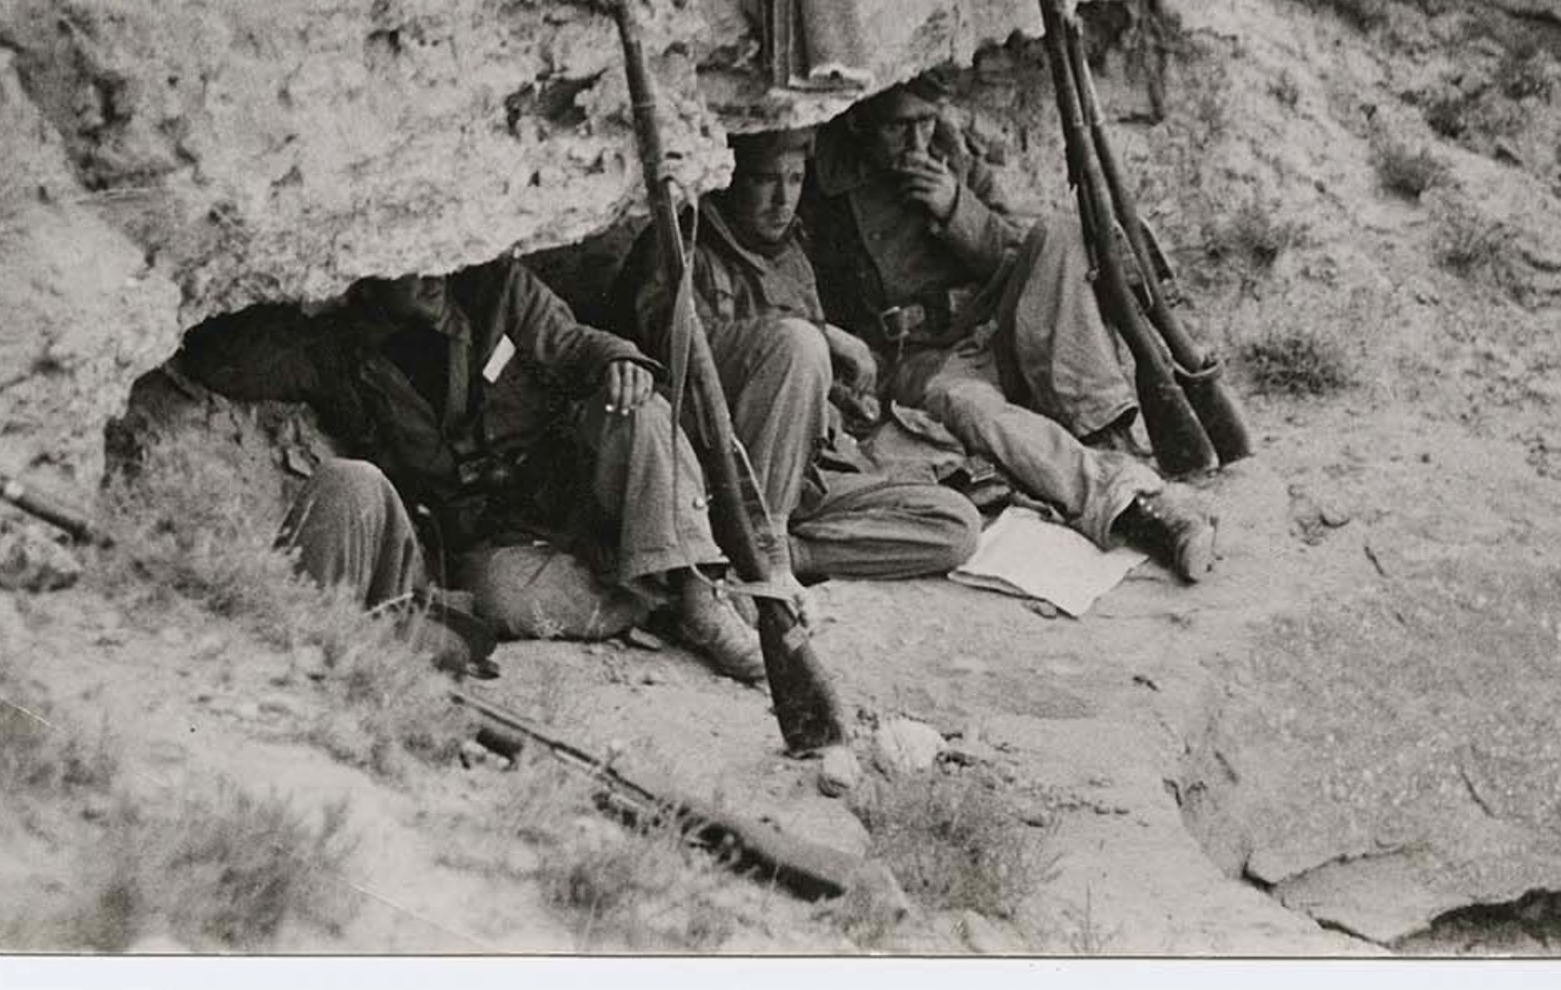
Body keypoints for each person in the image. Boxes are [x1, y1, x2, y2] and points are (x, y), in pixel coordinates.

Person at [146, 257, 767, 682]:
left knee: (640, 408)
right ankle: (649, 594)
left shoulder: (499, 291)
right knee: (498, 596)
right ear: (369, 274)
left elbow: (571, 342)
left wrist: (619, 360)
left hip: (569, 491)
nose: (433, 276)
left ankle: (693, 588)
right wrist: (301, 293)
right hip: (490, 539)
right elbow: (222, 363)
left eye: (438, 259)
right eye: (411, 266)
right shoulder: (339, 353)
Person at [803, 80, 1218, 580]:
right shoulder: (821, 189)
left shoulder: (952, 161)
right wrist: (831, 335)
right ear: (857, 121)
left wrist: (959, 210)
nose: (916, 144)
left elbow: (1019, 251)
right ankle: (1137, 505)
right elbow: (786, 282)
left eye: (925, 122)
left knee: (1060, 233)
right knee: (971, 407)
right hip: (919, 359)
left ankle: (1107, 435)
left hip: (994, 328)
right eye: (897, 127)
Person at [599, 127, 982, 583]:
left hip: (802, 477)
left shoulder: (790, 254)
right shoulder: (680, 249)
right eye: (765, 179)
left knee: (956, 524)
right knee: (796, 343)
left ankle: (788, 557)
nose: (783, 199)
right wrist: (820, 339)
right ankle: (763, 545)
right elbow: (677, 357)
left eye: (796, 180)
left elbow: (810, 383)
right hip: (714, 480)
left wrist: (842, 395)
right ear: (729, 179)